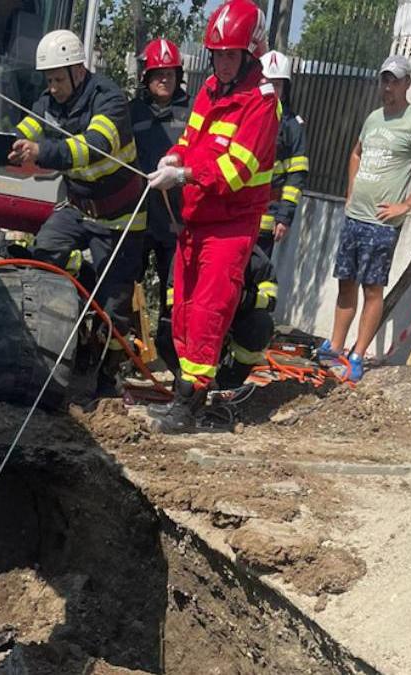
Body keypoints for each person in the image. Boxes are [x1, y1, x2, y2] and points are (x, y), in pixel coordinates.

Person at [145, 0, 280, 431]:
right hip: (197, 220)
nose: (222, 63)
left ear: (249, 54)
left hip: (229, 226)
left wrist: (183, 173)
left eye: (230, 55)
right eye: (218, 54)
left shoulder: (261, 104)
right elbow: (191, 138)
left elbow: (235, 172)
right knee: (183, 309)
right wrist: (173, 157)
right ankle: (185, 394)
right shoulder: (209, 90)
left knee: (207, 312)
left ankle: (190, 403)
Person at [4, 29, 146, 397]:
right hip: (78, 209)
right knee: (43, 254)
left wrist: (41, 152)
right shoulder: (48, 102)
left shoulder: (109, 100)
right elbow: (24, 132)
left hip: (120, 220)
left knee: (115, 308)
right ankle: (80, 282)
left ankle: (107, 378)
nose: (52, 87)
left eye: (57, 79)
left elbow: (94, 148)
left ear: (78, 72)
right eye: (47, 80)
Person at [317, 54, 411, 382]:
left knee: (371, 289)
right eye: (384, 80)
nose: (388, 86)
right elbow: (356, 153)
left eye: (394, 80)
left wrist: (407, 204)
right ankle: (335, 345)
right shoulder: (374, 118)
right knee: (345, 282)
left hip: (381, 225)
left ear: (407, 84)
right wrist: (351, 192)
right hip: (355, 218)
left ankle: (358, 354)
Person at [157, 244, 278, 391]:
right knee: (168, 329)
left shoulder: (255, 257)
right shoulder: (188, 251)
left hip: (237, 317)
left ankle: (229, 382)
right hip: (198, 315)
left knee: (260, 325)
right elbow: (173, 296)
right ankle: (186, 383)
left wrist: (243, 299)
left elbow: (270, 300)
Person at [130, 37, 192, 306]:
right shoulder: (132, 112)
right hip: (138, 214)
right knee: (128, 288)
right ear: (147, 77)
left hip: (176, 217)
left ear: (178, 76)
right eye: (158, 74)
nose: (164, 80)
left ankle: (170, 345)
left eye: (170, 74)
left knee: (175, 294)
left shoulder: (192, 112)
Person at [257, 50, 309, 258]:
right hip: (236, 215)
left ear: (285, 90)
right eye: (266, 83)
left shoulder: (291, 126)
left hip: (266, 217)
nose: (271, 90)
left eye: (277, 85)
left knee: (258, 278)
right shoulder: (241, 117)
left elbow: (296, 175)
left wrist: (284, 216)